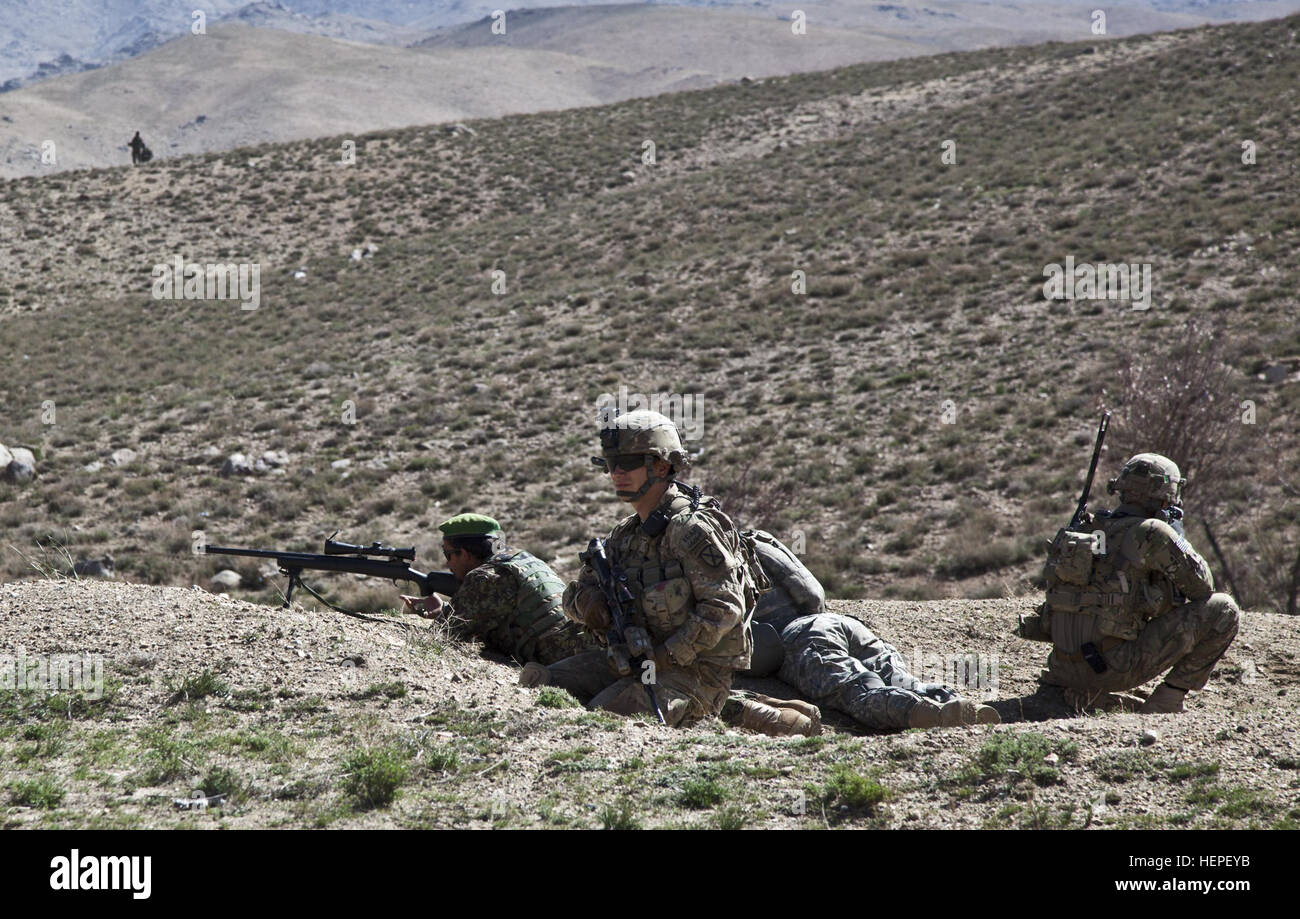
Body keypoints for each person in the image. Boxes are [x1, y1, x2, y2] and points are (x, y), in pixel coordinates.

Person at [525, 410, 765, 729]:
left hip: (693, 674)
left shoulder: (690, 530)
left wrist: (663, 656)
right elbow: (572, 596)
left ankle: (752, 714)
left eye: (628, 463)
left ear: (662, 466)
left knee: (605, 724)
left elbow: (724, 609)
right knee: (538, 682)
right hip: (629, 661)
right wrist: (590, 605)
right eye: (611, 464)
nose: (617, 473)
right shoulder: (625, 535)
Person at [1035, 453, 1240, 714]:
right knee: (1224, 609)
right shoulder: (1153, 532)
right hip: (1112, 671)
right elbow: (1203, 588)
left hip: (1060, 668)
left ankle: (1081, 690)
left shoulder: (1085, 530)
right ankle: (1168, 699)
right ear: (1167, 494)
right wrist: (1176, 533)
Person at [743, 530, 999, 729]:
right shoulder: (759, 541)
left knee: (859, 688)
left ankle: (921, 713)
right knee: (899, 676)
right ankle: (956, 704)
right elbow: (811, 591)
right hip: (839, 622)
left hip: (798, 638)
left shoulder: (718, 564)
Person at [401, 513, 593, 666]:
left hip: (571, 662)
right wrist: (444, 609)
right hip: (588, 646)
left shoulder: (485, 578)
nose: (446, 562)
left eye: (448, 554)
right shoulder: (525, 560)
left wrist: (442, 615)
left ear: (465, 554)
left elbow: (442, 635)